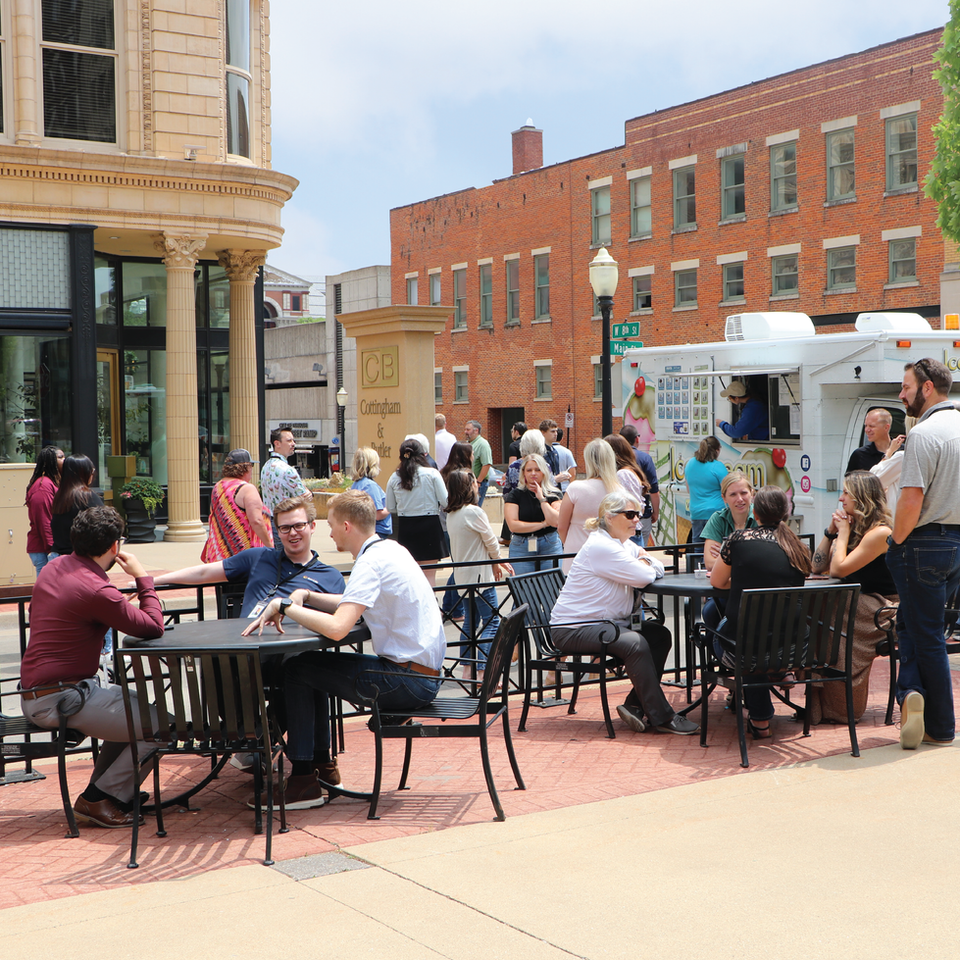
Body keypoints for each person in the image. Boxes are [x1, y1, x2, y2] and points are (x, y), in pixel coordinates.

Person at [242, 490, 446, 809]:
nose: (329, 531)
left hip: (407, 682)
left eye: (332, 524)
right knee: (313, 668)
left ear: (348, 526)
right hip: (423, 677)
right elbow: (352, 604)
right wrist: (306, 596)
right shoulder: (389, 550)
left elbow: (337, 629)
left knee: (298, 669)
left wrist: (284, 605)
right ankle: (320, 767)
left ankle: (304, 781)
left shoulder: (369, 563)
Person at [155, 496, 345, 786]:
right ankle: (255, 737)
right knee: (212, 662)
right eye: (284, 528)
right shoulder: (260, 557)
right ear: (276, 531)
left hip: (288, 655)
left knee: (303, 672)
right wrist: (151, 582)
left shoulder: (329, 576)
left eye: (298, 526)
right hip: (243, 654)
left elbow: (343, 613)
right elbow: (206, 571)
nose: (292, 533)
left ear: (312, 526)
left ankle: (289, 753)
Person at [20, 506, 164, 828]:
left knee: (136, 709)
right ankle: (99, 798)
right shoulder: (97, 590)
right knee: (163, 727)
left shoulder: (54, 567)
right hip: (60, 698)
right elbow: (154, 626)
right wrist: (142, 576)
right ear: (115, 546)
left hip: (42, 693)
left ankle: (107, 793)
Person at [550, 491, 698, 736]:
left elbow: (656, 565)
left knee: (659, 635)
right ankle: (662, 716)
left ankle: (634, 705)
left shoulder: (620, 543)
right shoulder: (602, 546)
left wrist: (646, 562)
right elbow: (645, 576)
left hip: (604, 624)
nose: (637, 521)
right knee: (634, 642)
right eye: (630, 515)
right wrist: (646, 564)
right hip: (573, 629)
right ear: (609, 517)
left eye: (638, 515)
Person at [886, 358, 960, 749]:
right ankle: (912, 692)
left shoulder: (924, 433)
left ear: (927, 387)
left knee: (925, 632)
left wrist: (896, 541)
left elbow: (911, 498)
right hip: (956, 543)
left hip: (924, 541)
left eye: (906, 387)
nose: (901, 395)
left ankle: (941, 726)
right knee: (912, 624)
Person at [708, 486, 812, 740]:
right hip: (792, 649)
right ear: (786, 514)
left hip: (745, 651)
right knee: (759, 639)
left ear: (756, 510)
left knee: (734, 635)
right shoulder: (797, 546)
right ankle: (776, 674)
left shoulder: (738, 539)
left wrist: (745, 580)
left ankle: (761, 718)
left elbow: (717, 582)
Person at [809, 471, 896, 723]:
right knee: (818, 603)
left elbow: (837, 569)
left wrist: (844, 533)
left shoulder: (880, 533)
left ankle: (840, 702)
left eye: (846, 492)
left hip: (884, 607)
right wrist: (829, 532)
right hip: (857, 602)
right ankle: (822, 699)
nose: (841, 499)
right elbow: (817, 567)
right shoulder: (854, 527)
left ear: (862, 498)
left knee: (832, 602)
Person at [445, 470, 513, 680]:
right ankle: (483, 670)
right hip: (480, 578)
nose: (477, 485)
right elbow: (491, 541)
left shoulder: (452, 514)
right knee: (492, 621)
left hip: (463, 578)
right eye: (473, 482)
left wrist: (494, 561)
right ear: (468, 487)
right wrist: (500, 560)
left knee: (470, 623)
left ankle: (468, 671)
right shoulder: (473, 512)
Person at [385, 438, 447, 586]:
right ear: (423, 455)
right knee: (429, 575)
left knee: (410, 575)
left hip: (407, 527)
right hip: (429, 525)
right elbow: (445, 501)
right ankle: (432, 608)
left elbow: (390, 507)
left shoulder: (394, 477)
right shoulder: (432, 474)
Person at [700, 471, 757, 630]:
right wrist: (744, 561)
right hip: (725, 592)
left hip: (756, 592)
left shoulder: (760, 517)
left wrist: (725, 556)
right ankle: (725, 653)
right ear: (724, 498)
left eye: (744, 493)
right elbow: (710, 563)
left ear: (752, 493)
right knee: (710, 613)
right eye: (733, 494)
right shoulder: (717, 519)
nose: (739, 499)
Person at [558, 438, 622, 572]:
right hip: (608, 554)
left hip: (576, 553)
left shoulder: (575, 489)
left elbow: (562, 527)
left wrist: (570, 544)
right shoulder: (620, 491)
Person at [201, 448, 273, 562]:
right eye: (251, 466)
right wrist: (270, 547)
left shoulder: (218, 486)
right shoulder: (247, 489)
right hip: (243, 557)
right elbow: (257, 521)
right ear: (246, 467)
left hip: (220, 555)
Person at [504, 454, 563, 575]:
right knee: (524, 590)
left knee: (550, 588)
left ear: (544, 472)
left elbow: (556, 521)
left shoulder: (554, 494)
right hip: (521, 546)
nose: (533, 473)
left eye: (537, 469)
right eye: (529, 470)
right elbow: (513, 525)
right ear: (523, 473)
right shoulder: (515, 495)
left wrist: (541, 498)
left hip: (550, 544)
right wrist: (543, 524)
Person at [260, 427, 310, 542]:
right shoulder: (287, 470)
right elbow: (304, 497)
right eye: (289, 441)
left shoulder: (266, 467)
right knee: (288, 558)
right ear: (277, 443)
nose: (293, 444)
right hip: (286, 524)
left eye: (293, 440)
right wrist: (309, 492)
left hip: (269, 522)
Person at [50, 455, 103, 558]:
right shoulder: (87, 496)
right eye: (91, 471)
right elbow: (105, 524)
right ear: (85, 473)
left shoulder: (60, 496)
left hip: (57, 556)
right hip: (78, 558)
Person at [603, 433, 648, 547]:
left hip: (628, 534)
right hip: (629, 532)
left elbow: (634, 505)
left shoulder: (623, 474)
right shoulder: (627, 471)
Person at [25, 445, 64, 575]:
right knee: (48, 591)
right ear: (50, 462)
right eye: (60, 457)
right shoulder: (43, 487)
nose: (65, 460)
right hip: (44, 549)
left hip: (50, 547)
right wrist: (52, 549)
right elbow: (44, 520)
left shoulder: (53, 482)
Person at [619, 424, 660, 545]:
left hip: (619, 515)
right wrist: (655, 512)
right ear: (637, 439)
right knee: (640, 551)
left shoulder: (615, 458)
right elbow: (654, 490)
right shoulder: (645, 458)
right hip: (641, 515)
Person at [685, 436, 727, 542]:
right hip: (716, 513)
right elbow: (727, 490)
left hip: (696, 512)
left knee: (698, 548)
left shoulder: (690, 464)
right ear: (717, 450)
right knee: (715, 547)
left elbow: (688, 489)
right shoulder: (718, 466)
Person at [350, 446, 392, 538]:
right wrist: (391, 507)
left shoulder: (357, 484)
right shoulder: (370, 486)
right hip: (377, 531)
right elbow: (378, 515)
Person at [846, 408, 896, 474]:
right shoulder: (859, 455)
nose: (867, 430)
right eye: (866, 426)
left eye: (871, 426)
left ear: (886, 427)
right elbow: (850, 483)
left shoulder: (903, 451)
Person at [464, 420, 493, 505]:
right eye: (465, 429)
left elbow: (487, 464)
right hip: (468, 483)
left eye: (468, 430)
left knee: (475, 508)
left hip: (478, 483)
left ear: (476, 430)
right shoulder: (468, 443)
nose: (465, 432)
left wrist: (478, 481)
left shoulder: (483, 444)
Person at [538, 420, 573, 486]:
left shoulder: (554, 451)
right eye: (552, 431)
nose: (556, 434)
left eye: (556, 431)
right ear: (543, 433)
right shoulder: (540, 452)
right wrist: (555, 479)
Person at [553, 427, 577, 493]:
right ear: (562, 439)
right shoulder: (567, 452)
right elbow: (573, 473)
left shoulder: (545, 451)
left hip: (550, 487)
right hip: (564, 488)